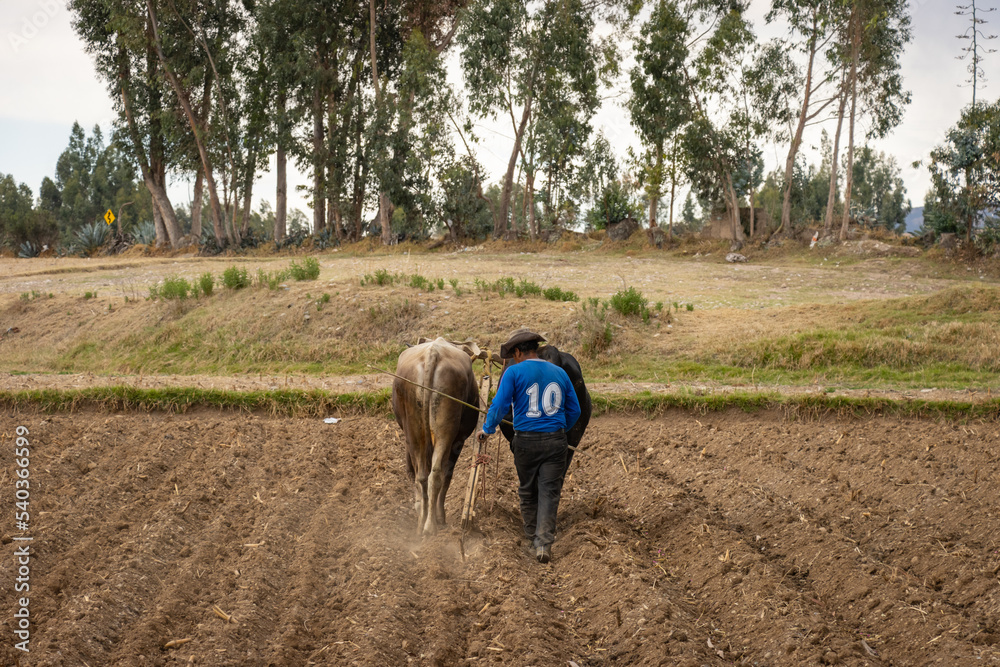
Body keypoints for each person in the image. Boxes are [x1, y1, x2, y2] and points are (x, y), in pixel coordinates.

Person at [479, 329, 581, 564]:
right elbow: (575, 409)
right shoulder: (559, 372)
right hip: (556, 441)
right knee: (550, 491)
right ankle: (543, 543)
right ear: (536, 349)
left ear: (517, 352)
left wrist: (487, 429)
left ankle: (530, 535)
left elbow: (500, 405)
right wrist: (560, 431)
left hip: (525, 440)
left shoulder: (514, 372)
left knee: (527, 489)